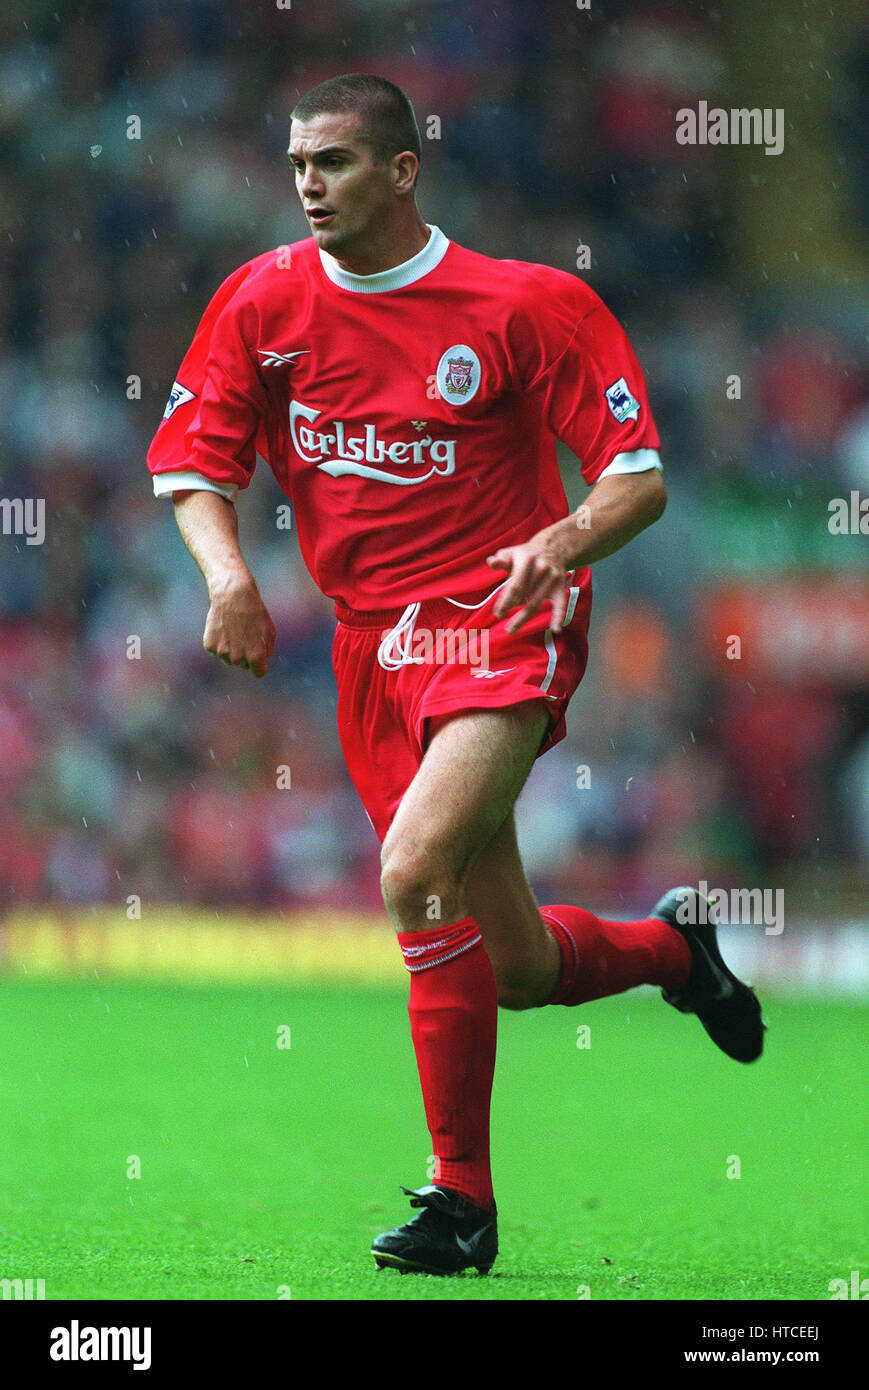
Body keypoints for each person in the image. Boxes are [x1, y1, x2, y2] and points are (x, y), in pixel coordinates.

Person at [147, 73, 765, 1277]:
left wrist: (558, 542)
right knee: (517, 963)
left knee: (412, 866)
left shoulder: (526, 306)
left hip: (500, 618)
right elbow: (191, 463)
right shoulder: (260, 302)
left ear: (400, 170)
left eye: (331, 162)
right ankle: (675, 952)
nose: (308, 186)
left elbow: (636, 475)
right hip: (369, 646)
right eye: (296, 166)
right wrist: (226, 576)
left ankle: (460, 1201)